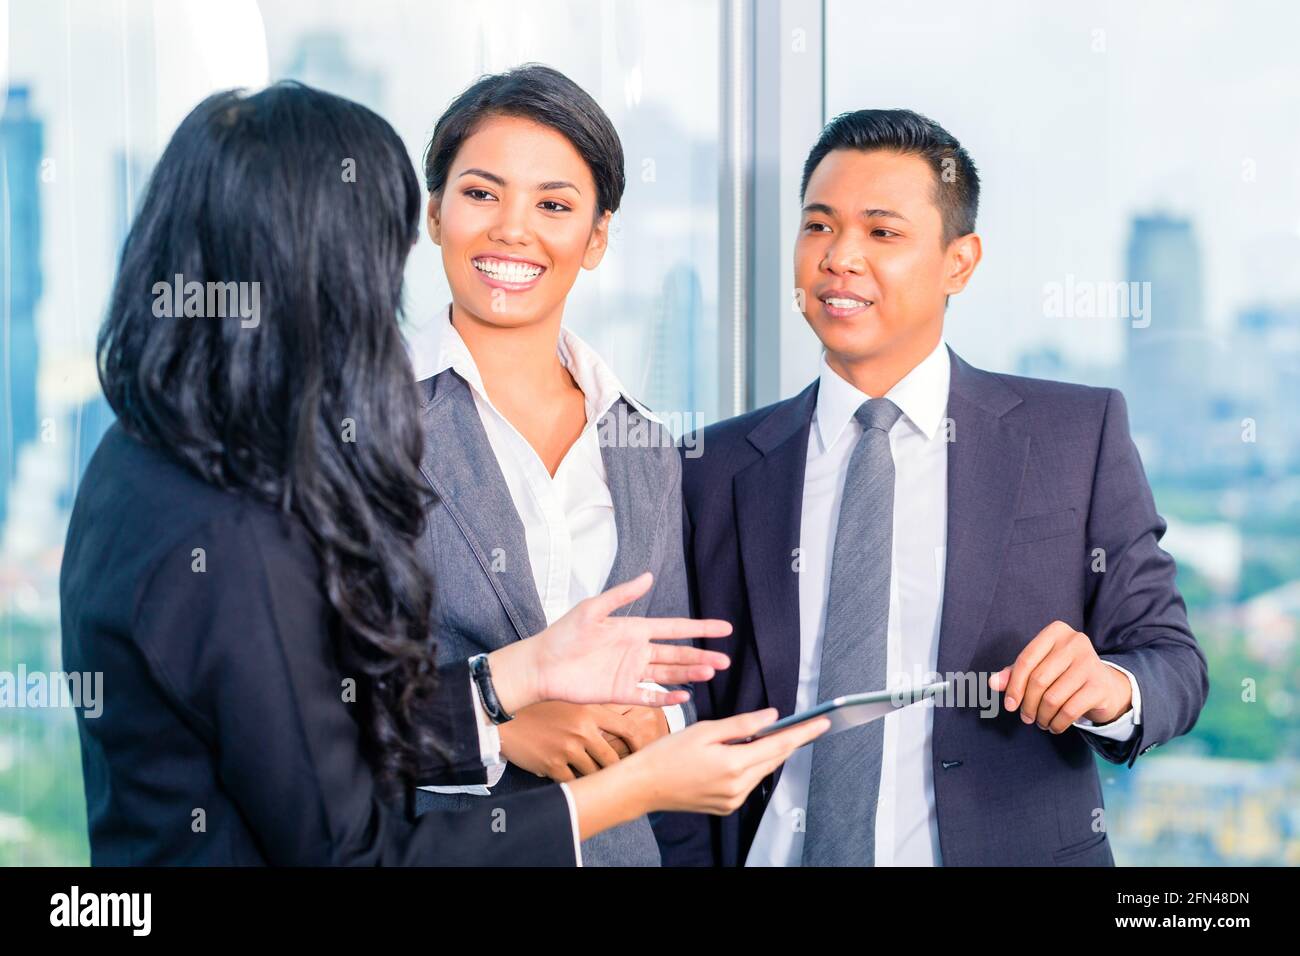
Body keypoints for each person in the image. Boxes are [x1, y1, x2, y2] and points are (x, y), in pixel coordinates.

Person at [60, 81, 827, 866]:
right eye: (376, 254)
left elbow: (304, 718)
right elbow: (350, 843)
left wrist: (518, 674)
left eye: (555, 204)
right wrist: (614, 778)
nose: (384, 289)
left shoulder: (142, 451)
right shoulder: (254, 511)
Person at [660, 109, 1209, 867]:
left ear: (960, 261)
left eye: (882, 233)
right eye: (819, 226)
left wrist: (1109, 685)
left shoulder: (1073, 436)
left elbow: (1172, 660)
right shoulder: (711, 467)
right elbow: (681, 714)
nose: (840, 257)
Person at [406, 65, 698, 866]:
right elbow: (309, 699)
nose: (512, 230)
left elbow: (674, 674)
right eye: (481, 193)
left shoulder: (645, 443)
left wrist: (652, 723)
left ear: (596, 238)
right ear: (435, 212)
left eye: (555, 205)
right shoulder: (362, 421)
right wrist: (498, 728)